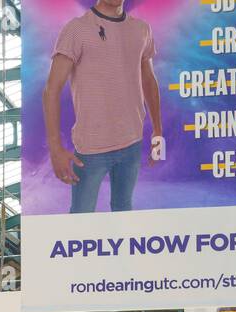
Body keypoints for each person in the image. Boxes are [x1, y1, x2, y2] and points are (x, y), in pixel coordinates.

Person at [43, 0, 163, 214]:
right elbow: (52, 89)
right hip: (91, 148)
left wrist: (157, 131)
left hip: (132, 142)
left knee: (123, 209)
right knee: (81, 215)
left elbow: (149, 79)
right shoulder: (77, 29)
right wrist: (55, 148)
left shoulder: (141, 29)